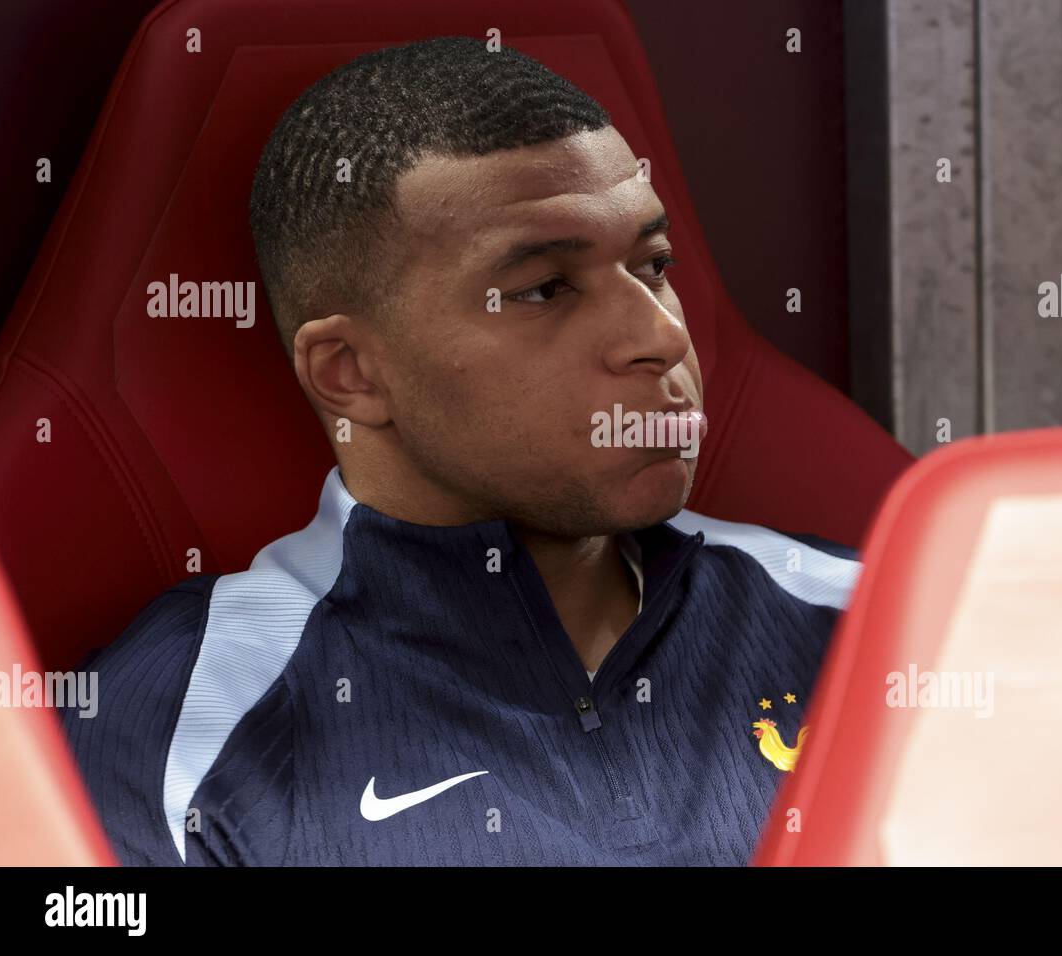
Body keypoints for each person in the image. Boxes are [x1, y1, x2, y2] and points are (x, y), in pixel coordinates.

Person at [60, 35, 860, 866]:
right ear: (351, 373)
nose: (659, 337)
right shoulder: (180, 726)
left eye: (653, 266)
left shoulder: (878, 620)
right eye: (544, 289)